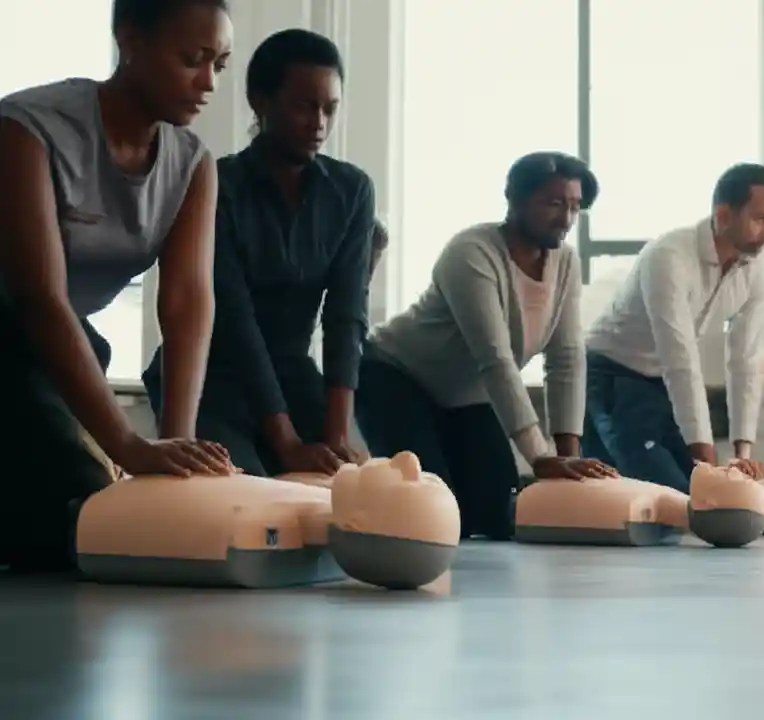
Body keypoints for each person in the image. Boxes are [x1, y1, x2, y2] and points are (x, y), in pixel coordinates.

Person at [0, 0, 236, 570]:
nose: (208, 83)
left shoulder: (192, 163)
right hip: (11, 329)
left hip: (53, 341)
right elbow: (39, 299)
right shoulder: (26, 129)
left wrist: (179, 450)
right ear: (129, 41)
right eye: (192, 59)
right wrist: (128, 446)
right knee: (76, 510)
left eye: (219, 65)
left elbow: (185, 304)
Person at [143, 29, 375, 477]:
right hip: (212, 376)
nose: (319, 124)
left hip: (293, 376)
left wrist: (338, 433)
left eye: (330, 108)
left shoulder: (351, 191)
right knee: (242, 497)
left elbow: (347, 317)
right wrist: (286, 443)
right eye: (304, 106)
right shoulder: (216, 183)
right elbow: (236, 320)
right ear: (260, 101)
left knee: (346, 489)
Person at [357, 152, 616, 541]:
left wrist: (568, 456)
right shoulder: (471, 252)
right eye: (554, 203)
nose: (566, 219)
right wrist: (541, 457)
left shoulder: (565, 263)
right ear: (515, 200)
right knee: (432, 508)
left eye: (575, 207)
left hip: (465, 395)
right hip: (394, 377)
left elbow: (565, 359)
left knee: (496, 512)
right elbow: (494, 359)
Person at [580, 164, 764, 492]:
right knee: (676, 496)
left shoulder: (756, 262)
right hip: (610, 377)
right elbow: (680, 358)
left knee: (699, 490)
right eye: (761, 219)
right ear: (724, 215)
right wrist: (707, 461)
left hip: (659, 385)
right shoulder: (669, 256)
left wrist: (741, 454)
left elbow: (746, 359)